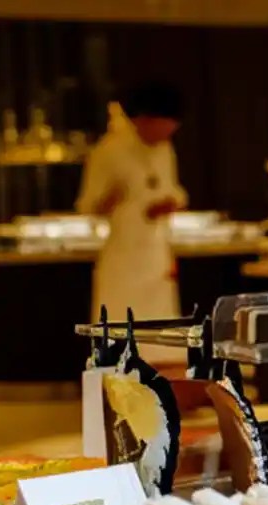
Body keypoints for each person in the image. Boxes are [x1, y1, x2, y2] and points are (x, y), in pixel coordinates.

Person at [77, 81, 187, 327]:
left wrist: (170, 204)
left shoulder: (165, 149)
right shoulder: (109, 150)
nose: (165, 135)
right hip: (124, 255)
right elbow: (88, 205)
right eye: (162, 128)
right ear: (143, 119)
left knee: (162, 333)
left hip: (157, 253)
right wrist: (111, 199)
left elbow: (172, 189)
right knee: (121, 330)